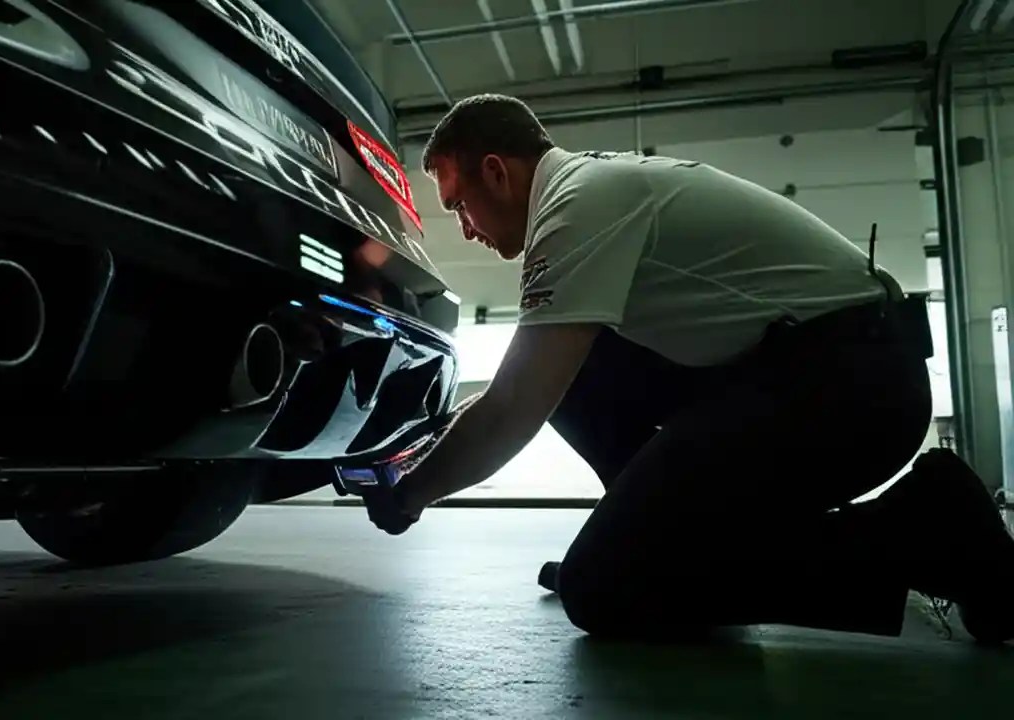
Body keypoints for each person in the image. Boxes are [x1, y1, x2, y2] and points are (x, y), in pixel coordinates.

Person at [364, 93, 1013, 644]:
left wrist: (410, 492)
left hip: (854, 389)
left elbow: (511, 406)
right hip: (819, 369)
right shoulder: (589, 189)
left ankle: (924, 529)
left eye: (457, 204)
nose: (465, 226)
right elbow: (538, 380)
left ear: (497, 173)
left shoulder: (576, 208)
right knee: (576, 370)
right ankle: (655, 545)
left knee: (602, 595)